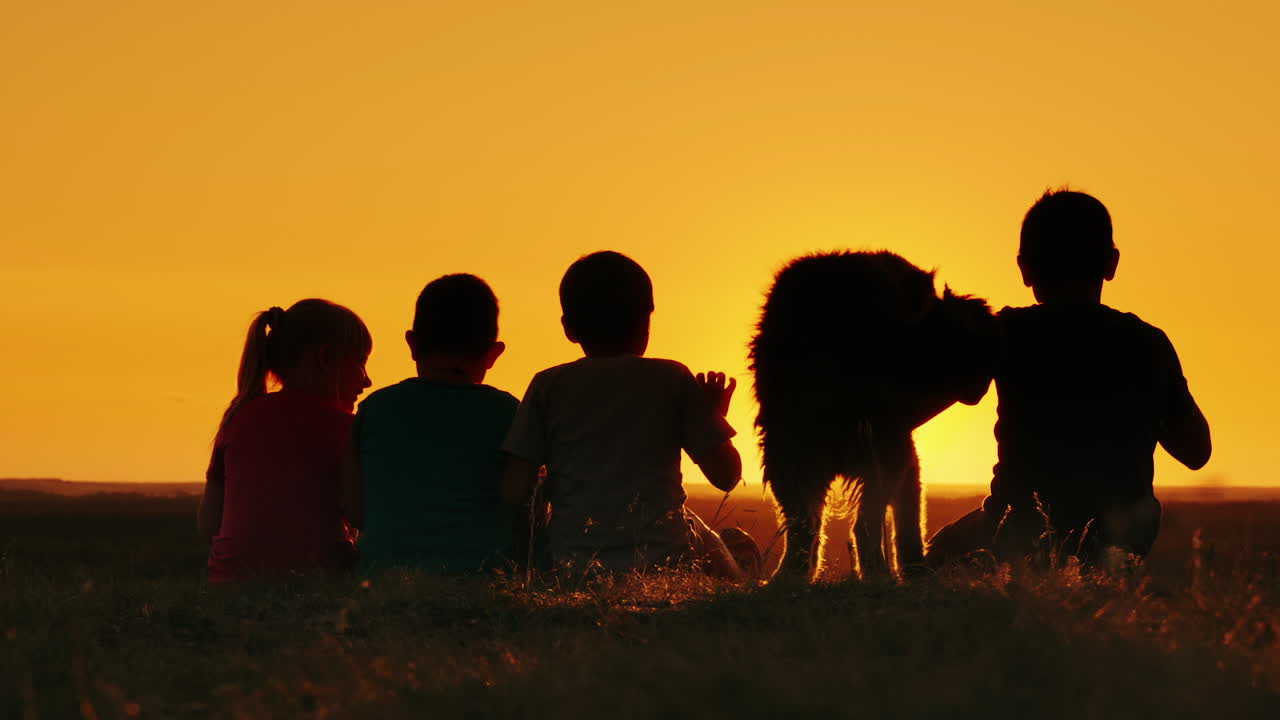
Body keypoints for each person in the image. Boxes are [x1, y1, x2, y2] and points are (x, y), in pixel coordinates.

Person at [927, 189, 1212, 567]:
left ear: (1024, 267)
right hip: (1122, 536)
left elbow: (962, 392)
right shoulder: (1145, 342)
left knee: (933, 557)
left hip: (1018, 530)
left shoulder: (1007, 333)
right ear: (1111, 264)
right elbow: (1196, 452)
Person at [500, 251, 762, 579]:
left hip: (574, 568)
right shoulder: (672, 380)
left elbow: (513, 490)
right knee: (701, 529)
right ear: (645, 322)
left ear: (569, 328)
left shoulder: (548, 386)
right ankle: (743, 577)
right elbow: (727, 476)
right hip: (666, 566)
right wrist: (712, 415)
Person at [346, 274, 520, 574]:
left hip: (383, 574)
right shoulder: (509, 412)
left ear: (412, 343)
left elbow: (353, 507)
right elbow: (519, 500)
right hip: (482, 574)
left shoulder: (375, 408)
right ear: (494, 353)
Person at [198, 299, 372, 582]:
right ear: (325, 359)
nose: (367, 381)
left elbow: (208, 524)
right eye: (361, 364)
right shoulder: (347, 429)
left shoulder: (237, 419)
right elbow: (360, 513)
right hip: (320, 581)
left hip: (228, 582)